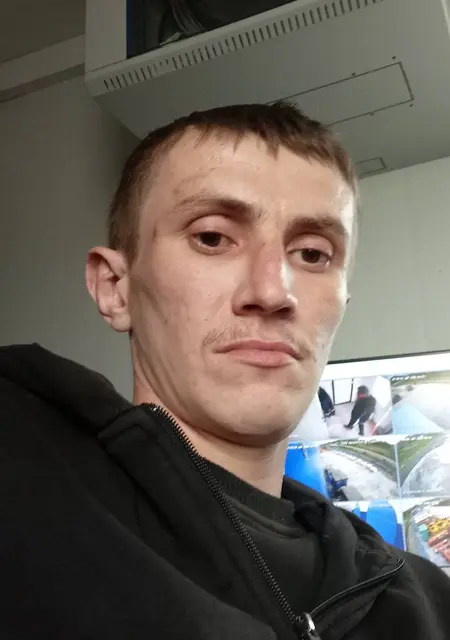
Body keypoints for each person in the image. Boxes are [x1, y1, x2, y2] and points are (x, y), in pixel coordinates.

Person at [1, 102, 449, 640]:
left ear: (342, 304)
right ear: (116, 288)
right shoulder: (22, 485)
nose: (274, 291)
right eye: (211, 238)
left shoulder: (429, 603)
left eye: (312, 254)